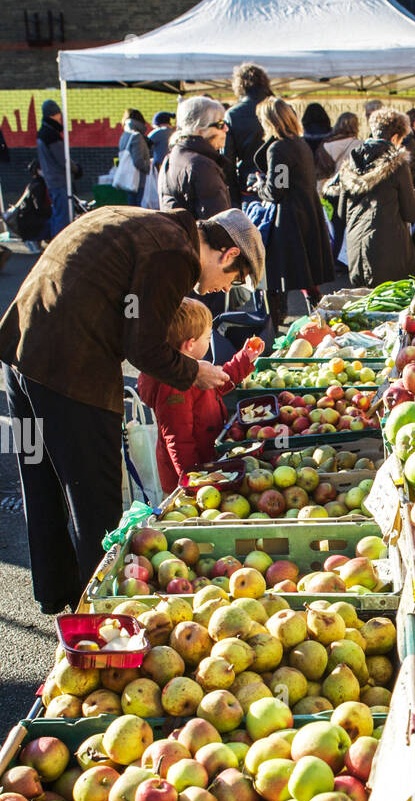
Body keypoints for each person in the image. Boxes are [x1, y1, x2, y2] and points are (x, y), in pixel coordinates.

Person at [0, 206, 264, 614]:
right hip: (67, 371)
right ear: (228, 254)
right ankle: (101, 611)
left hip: (23, 356)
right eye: (234, 278)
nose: (222, 289)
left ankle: (59, 594)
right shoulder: (174, 253)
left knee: (40, 478)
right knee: (94, 497)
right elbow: (145, 345)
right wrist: (195, 371)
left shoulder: (146, 224)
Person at [137, 297, 258, 494]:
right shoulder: (174, 386)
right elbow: (178, 438)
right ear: (190, 345)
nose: (210, 341)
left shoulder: (196, 371)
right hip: (190, 478)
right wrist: (194, 479)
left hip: (208, 462)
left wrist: (244, 360)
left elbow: (218, 383)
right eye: (208, 337)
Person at [253, 97, 334, 328]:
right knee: (304, 276)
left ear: (270, 121)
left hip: (288, 220)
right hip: (307, 214)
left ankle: (274, 327)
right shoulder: (300, 144)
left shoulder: (279, 148)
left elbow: (276, 189)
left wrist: (259, 186)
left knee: (278, 278)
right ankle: (321, 321)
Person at [331, 106, 415, 288]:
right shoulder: (397, 164)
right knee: (391, 308)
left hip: (356, 250)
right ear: (395, 137)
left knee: (364, 307)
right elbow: (411, 213)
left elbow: (341, 212)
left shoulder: (350, 163)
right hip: (389, 251)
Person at [159, 96, 232, 220]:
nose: (226, 128)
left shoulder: (171, 158)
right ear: (199, 129)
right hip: (198, 239)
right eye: (220, 124)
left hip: (179, 238)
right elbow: (219, 226)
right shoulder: (202, 166)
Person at [224, 63, 274, 204]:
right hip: (280, 182)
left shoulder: (233, 114)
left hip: (249, 187)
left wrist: (234, 197)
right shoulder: (281, 109)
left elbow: (228, 161)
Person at [317, 113, 362, 258]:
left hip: (331, 190)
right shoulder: (360, 145)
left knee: (334, 227)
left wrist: (319, 192)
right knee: (351, 226)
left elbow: (320, 173)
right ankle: (347, 259)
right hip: (351, 191)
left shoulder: (327, 145)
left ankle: (333, 258)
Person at [36, 98, 78, 240]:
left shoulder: (44, 132)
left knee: (57, 213)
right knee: (63, 216)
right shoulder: (51, 134)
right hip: (59, 180)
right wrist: (75, 168)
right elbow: (62, 159)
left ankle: (54, 241)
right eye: (58, 113)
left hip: (52, 179)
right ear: (53, 114)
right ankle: (60, 244)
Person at [4, 160, 51, 251]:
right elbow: (39, 207)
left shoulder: (34, 184)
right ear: (38, 170)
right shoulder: (39, 185)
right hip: (30, 224)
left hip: (26, 221)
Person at [117, 108, 152, 207]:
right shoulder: (136, 136)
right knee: (139, 208)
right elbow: (138, 161)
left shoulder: (125, 135)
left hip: (128, 178)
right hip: (138, 180)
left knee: (131, 206)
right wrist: (148, 168)